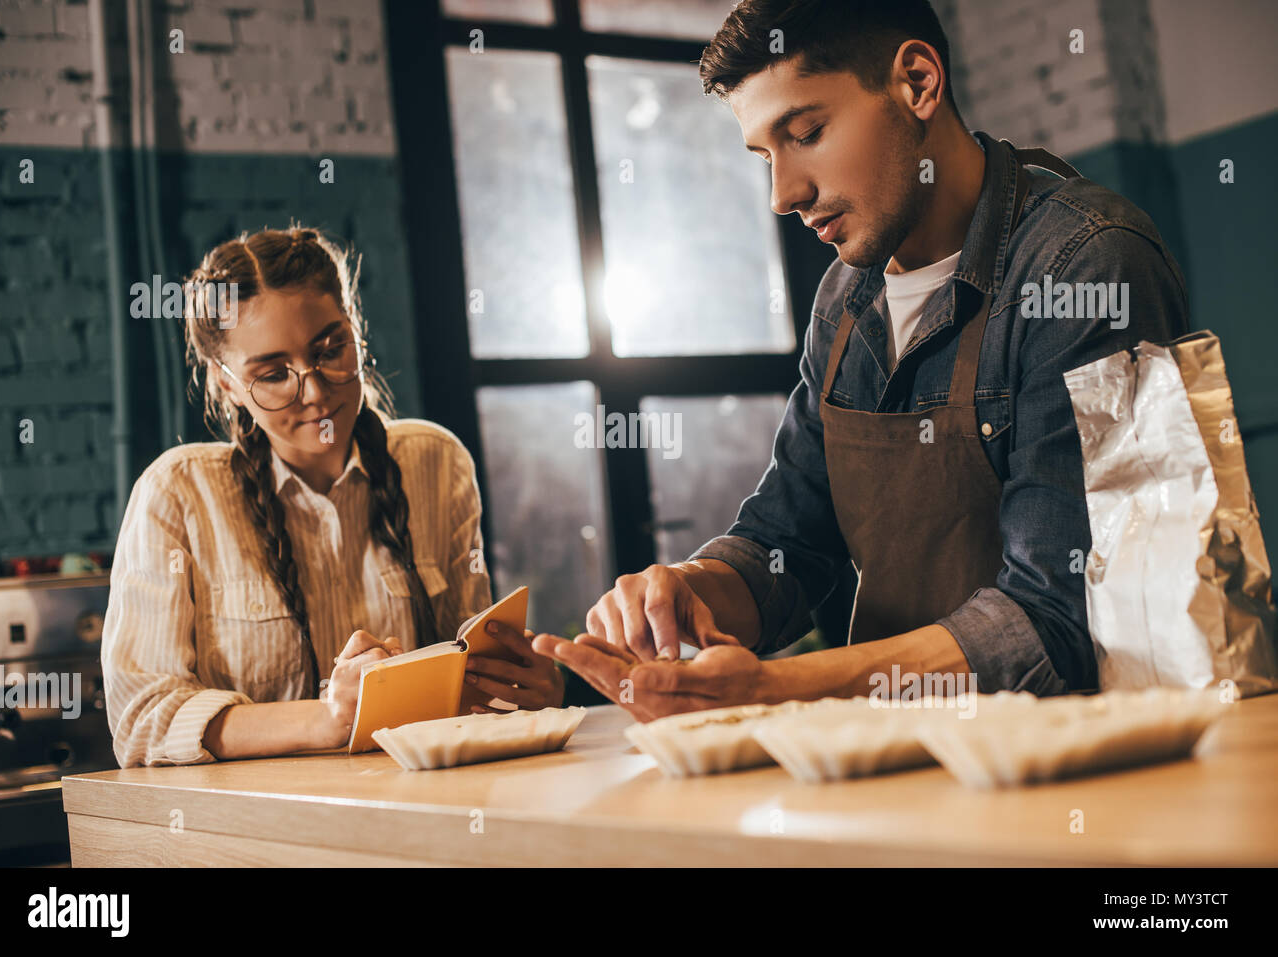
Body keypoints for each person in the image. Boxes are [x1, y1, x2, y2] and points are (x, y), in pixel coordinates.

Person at [531, 0, 1188, 721]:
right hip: (895, 771)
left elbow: (1056, 622)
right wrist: (688, 591)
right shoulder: (844, 299)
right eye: (764, 157)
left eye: (807, 133)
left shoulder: (1084, 266)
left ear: (917, 82)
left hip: (1076, 778)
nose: (783, 194)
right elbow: (788, 543)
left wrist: (775, 690)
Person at [102, 226, 562, 767]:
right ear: (226, 384)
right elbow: (142, 721)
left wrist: (529, 690)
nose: (316, 392)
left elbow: (478, 688)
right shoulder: (177, 493)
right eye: (273, 374)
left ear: (355, 330)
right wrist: (331, 717)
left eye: (330, 349)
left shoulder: (436, 461)